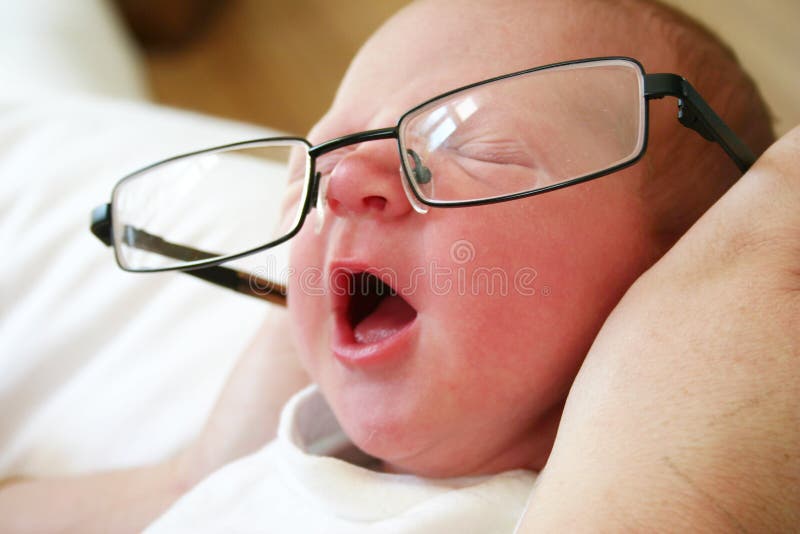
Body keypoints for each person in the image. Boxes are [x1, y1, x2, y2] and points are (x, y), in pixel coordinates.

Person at [1, 0, 797, 531]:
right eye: (314, 158)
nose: (341, 184)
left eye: (473, 148)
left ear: (668, 280)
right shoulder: (282, 449)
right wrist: (187, 477)